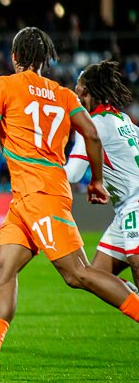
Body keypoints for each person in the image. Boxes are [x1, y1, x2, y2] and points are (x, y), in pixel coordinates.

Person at [0, 28, 139, 377]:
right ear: (44, 60)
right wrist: (95, 180)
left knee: (79, 274)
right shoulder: (64, 95)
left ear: (15, 56)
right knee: (2, 270)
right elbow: (91, 133)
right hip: (28, 197)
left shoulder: (2, 85)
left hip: (40, 193)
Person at [64, 61, 139, 285]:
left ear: (86, 91)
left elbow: (73, 174)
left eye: (78, 89)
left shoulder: (93, 124)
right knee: (94, 277)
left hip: (135, 203)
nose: (76, 97)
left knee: (136, 261)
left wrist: (39, 165)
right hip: (124, 209)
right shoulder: (122, 119)